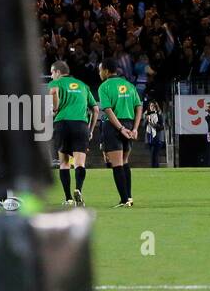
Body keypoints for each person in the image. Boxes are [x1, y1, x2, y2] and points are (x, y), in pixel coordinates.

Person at [48, 60, 97, 207]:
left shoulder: (56, 83)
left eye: (52, 72)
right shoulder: (83, 85)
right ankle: (78, 189)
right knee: (79, 163)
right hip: (81, 125)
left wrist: (56, 108)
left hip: (62, 123)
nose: (51, 76)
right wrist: (91, 129)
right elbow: (95, 109)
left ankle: (68, 198)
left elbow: (53, 92)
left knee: (64, 163)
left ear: (58, 72)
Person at [97, 63, 143, 207]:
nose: (99, 73)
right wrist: (135, 128)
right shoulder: (129, 85)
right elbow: (139, 106)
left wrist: (120, 128)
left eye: (100, 70)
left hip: (113, 126)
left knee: (116, 163)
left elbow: (108, 110)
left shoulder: (104, 87)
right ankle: (129, 198)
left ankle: (124, 200)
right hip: (129, 123)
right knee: (124, 161)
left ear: (105, 70)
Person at [144, 101, 165, 168]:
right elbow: (144, 126)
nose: (151, 107)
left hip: (158, 138)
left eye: (153, 106)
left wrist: (153, 125)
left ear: (156, 107)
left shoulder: (159, 115)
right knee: (153, 154)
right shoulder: (148, 115)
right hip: (150, 137)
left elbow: (162, 126)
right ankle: (154, 168)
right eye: (150, 106)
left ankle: (155, 167)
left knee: (155, 154)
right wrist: (147, 120)